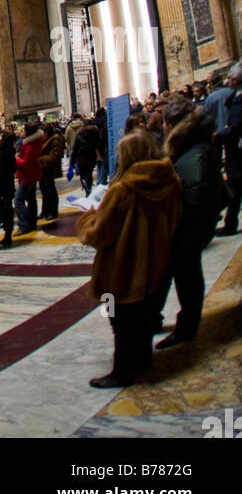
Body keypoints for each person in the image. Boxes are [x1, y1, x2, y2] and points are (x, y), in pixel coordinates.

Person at [77, 129, 182, 388]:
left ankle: (121, 372)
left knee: (118, 322)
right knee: (145, 316)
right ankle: (143, 358)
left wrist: (88, 217)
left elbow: (98, 234)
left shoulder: (123, 190)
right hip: (155, 263)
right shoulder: (169, 180)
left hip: (119, 270)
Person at [154, 99, 222, 349]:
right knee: (182, 272)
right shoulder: (195, 141)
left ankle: (187, 326)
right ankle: (161, 319)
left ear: (172, 124)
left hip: (190, 224)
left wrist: (184, 230)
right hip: (192, 222)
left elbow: (195, 193)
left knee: (188, 275)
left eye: (164, 123)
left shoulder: (194, 152)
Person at [216, 62, 242, 236]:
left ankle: (230, 224)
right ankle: (230, 223)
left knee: (235, 190)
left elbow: (237, 125)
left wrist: (220, 134)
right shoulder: (235, 96)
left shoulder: (239, 99)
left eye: (231, 78)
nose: (228, 81)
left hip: (238, 153)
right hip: (236, 154)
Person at [14, 121, 44, 233]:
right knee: (31, 199)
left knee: (18, 200)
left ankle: (24, 225)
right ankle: (32, 222)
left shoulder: (30, 146)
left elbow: (25, 163)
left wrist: (15, 159)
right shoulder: (35, 141)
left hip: (27, 176)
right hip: (32, 174)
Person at [38, 120, 64, 222]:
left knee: (50, 190)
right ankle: (45, 211)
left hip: (50, 169)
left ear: (46, 133)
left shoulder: (55, 140)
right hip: (43, 169)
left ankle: (53, 212)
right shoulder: (45, 140)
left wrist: (39, 160)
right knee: (44, 191)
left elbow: (54, 157)